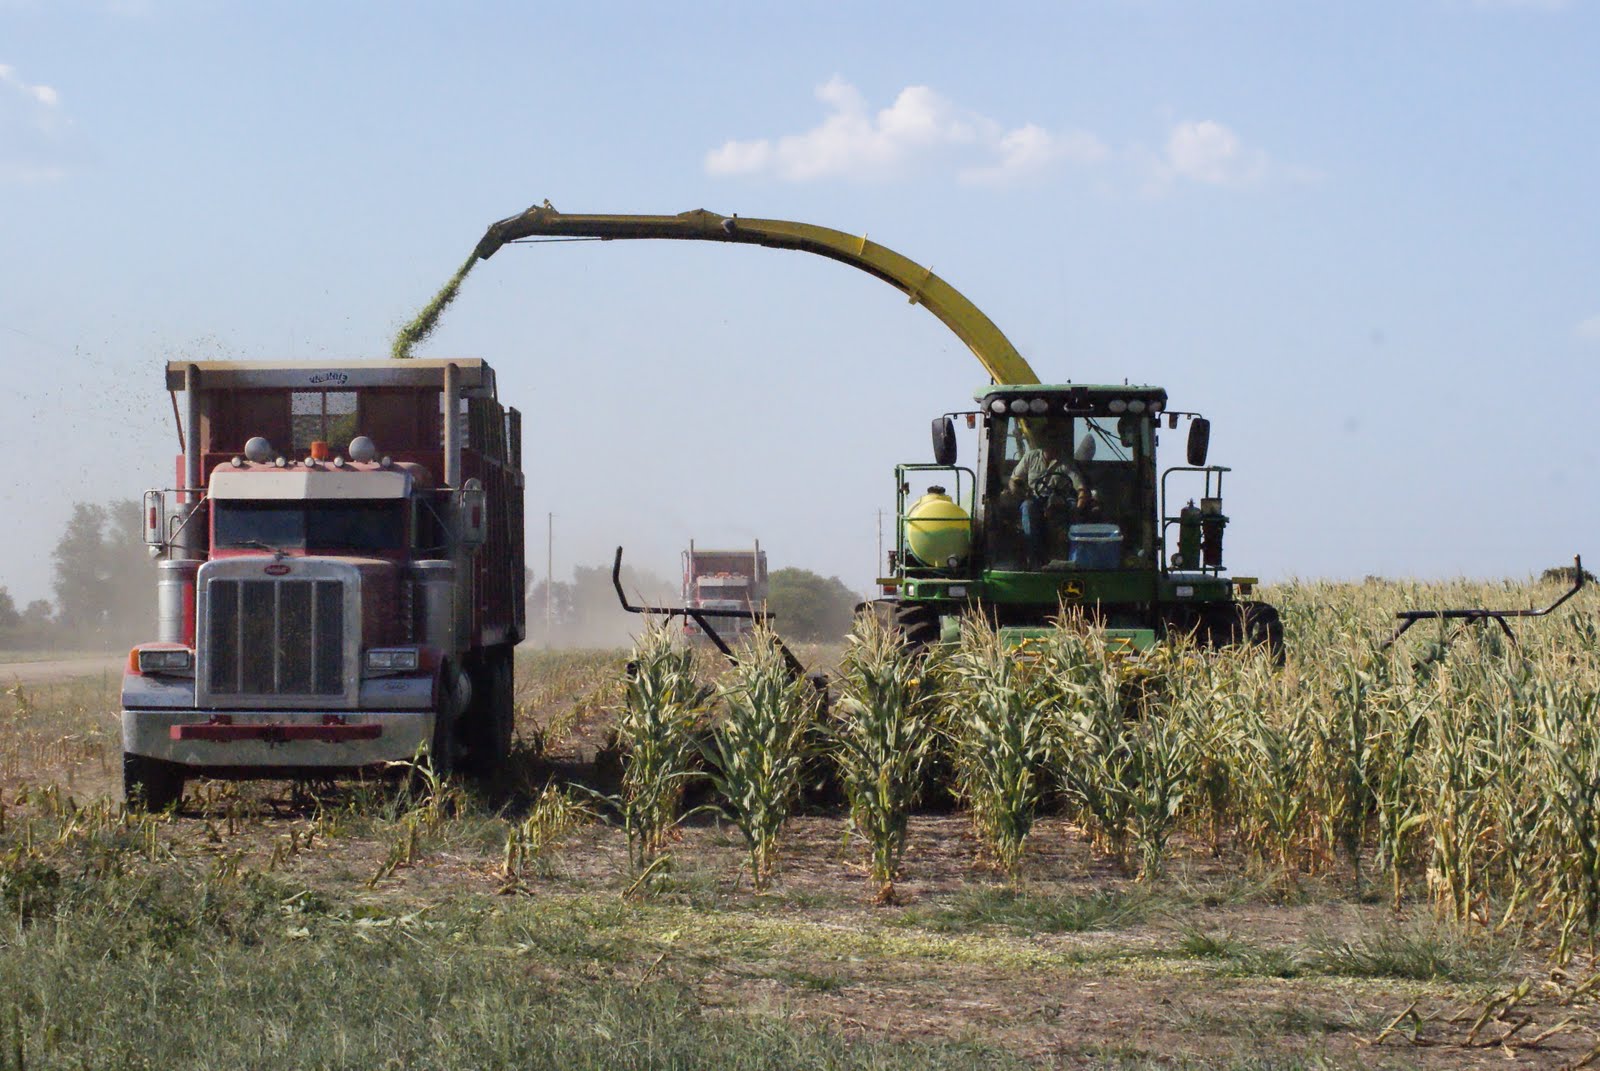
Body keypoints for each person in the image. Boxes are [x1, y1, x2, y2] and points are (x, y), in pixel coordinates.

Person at [1006, 429, 1094, 567]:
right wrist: (1019, 493)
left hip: (1061, 501)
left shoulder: (1066, 462)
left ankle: (1073, 556)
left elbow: (1081, 488)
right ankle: (1033, 558)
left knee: (1071, 507)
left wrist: (1078, 508)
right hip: (1035, 500)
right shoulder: (1030, 457)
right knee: (1027, 507)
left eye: (1055, 441)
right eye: (1049, 441)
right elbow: (1014, 480)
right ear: (1043, 443)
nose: (1052, 445)